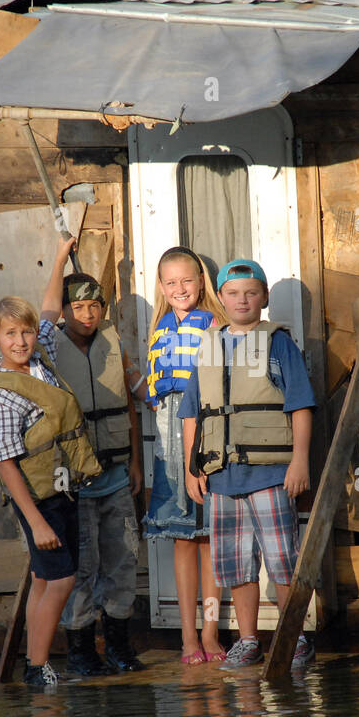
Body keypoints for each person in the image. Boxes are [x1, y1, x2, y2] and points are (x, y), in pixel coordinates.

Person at [179, 259, 316, 671]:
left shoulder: (278, 343)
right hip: (222, 478)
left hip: (271, 475)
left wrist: (300, 462)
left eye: (251, 292)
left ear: (265, 298)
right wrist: (192, 468)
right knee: (236, 565)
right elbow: (192, 413)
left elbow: (301, 405)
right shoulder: (209, 344)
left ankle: (295, 638)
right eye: (234, 293)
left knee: (282, 560)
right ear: (221, 298)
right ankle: (248, 640)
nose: (242, 300)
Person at [0, 286, 102, 688]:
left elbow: (49, 312)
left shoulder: (40, 358)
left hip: (63, 490)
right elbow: (5, 463)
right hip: (37, 501)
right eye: (11, 335)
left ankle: (36, 665)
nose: (21, 341)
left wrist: (59, 259)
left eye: (26, 333)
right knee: (63, 579)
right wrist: (36, 523)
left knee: (45, 579)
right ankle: (38, 667)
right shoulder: (1, 394)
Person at [39, 236, 146, 675]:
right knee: (83, 569)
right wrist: (60, 257)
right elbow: (44, 312)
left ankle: (119, 648)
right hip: (75, 486)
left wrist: (136, 462)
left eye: (94, 307)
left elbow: (128, 407)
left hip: (117, 477)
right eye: (77, 308)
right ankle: (82, 653)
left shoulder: (111, 342)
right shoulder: (47, 346)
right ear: (65, 312)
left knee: (122, 562)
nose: (87, 315)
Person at [143, 246, 230, 665]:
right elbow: (153, 386)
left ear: (200, 282)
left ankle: (212, 632)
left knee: (210, 537)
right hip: (167, 436)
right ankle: (187, 637)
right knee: (182, 537)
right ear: (161, 287)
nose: (179, 289)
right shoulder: (158, 327)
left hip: (205, 429)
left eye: (186, 281)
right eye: (170, 282)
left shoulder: (215, 324)